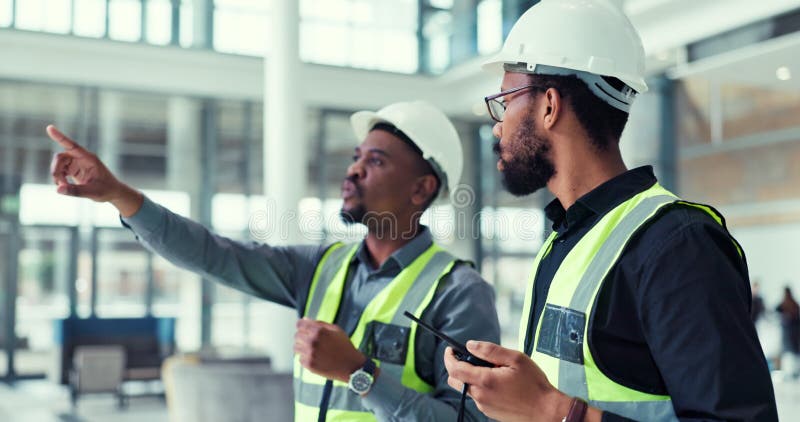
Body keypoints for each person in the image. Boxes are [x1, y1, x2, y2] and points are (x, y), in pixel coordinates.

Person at [46, 100, 500, 421]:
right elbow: (212, 255)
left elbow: (471, 421)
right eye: (355, 157)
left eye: (375, 161)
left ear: (420, 189)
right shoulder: (321, 267)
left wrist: (360, 373)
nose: (353, 169)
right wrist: (118, 196)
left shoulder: (459, 293)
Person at [443, 0, 777, 420]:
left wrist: (556, 412)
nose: (497, 124)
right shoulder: (564, 239)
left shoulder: (678, 245)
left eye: (505, 100)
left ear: (549, 105)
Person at [777, 286, 800, 377]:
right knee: (792, 354)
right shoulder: (794, 304)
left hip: (788, 335)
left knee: (789, 354)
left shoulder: (784, 305)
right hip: (793, 336)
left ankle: (791, 373)